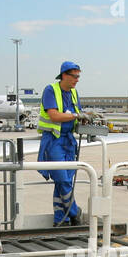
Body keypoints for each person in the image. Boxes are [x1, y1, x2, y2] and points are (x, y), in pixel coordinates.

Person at [37, 61, 87, 226]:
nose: (77, 80)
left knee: (63, 182)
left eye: (78, 76)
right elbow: (54, 116)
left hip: (68, 142)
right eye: (74, 76)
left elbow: (77, 113)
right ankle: (74, 211)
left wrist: (85, 119)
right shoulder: (51, 90)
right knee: (62, 179)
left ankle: (61, 219)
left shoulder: (74, 93)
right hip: (54, 140)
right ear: (64, 75)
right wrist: (75, 116)